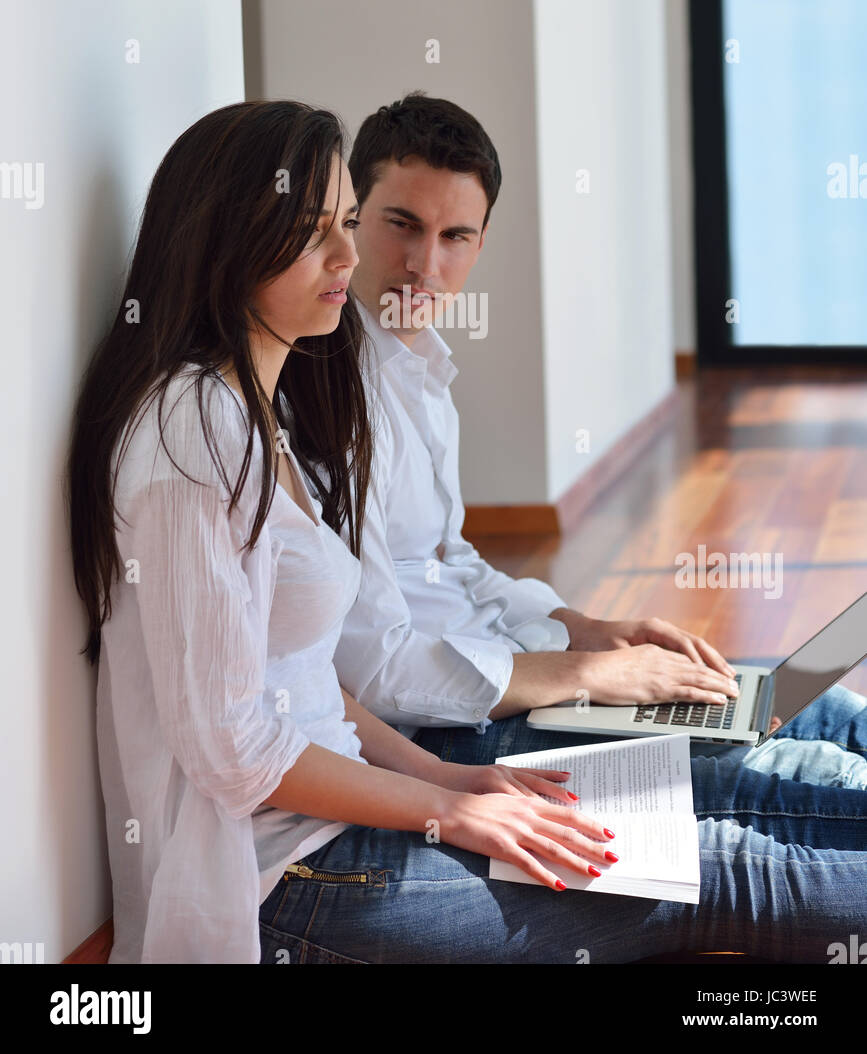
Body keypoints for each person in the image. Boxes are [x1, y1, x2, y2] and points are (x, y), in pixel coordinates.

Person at [67, 100, 867, 965]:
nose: (354, 259)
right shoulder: (197, 437)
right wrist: (451, 798)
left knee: (755, 760)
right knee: (725, 857)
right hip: (287, 884)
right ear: (225, 243)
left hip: (363, 802)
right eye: (319, 234)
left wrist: (448, 779)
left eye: (342, 225)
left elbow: (302, 679)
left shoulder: (252, 415)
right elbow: (233, 748)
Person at [333, 92, 867, 789]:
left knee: (818, 705)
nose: (424, 265)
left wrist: (580, 626)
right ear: (350, 218)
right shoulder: (326, 397)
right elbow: (373, 672)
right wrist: (585, 673)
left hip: (514, 670)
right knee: (808, 772)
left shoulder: (420, 368)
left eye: (455, 236)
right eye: (401, 224)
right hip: (454, 726)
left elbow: (449, 560)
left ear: (481, 241)